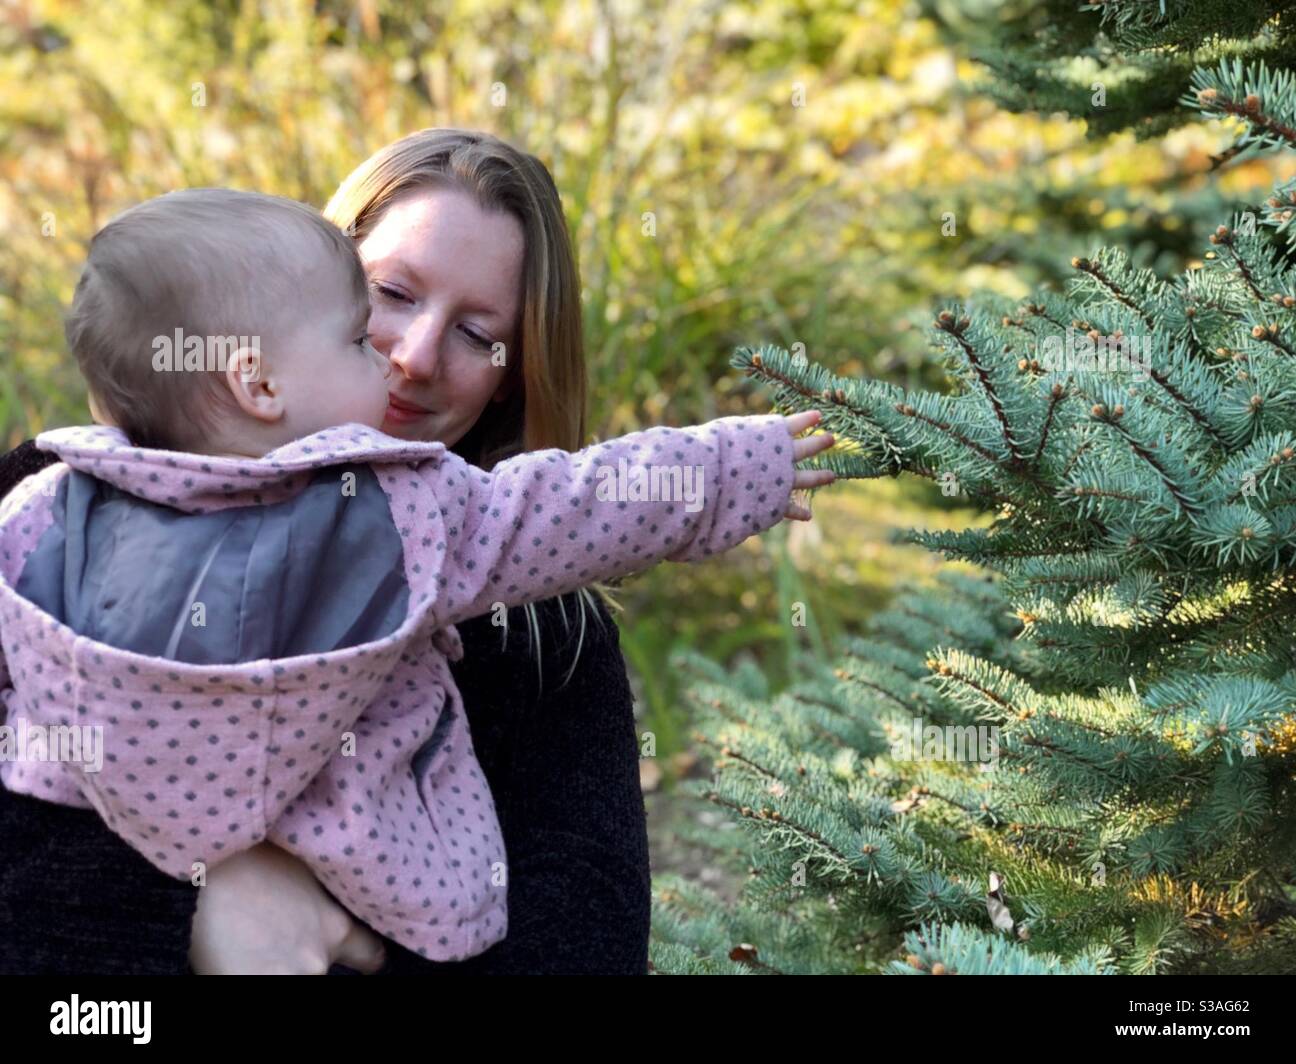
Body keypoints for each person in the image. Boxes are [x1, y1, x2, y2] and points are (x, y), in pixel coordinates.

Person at [0, 130, 832, 975]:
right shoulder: (52, 495)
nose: (414, 358)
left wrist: (351, 948)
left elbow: (582, 940)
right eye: (385, 301)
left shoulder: (539, 630)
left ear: (514, 373)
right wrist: (207, 900)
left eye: (477, 334)